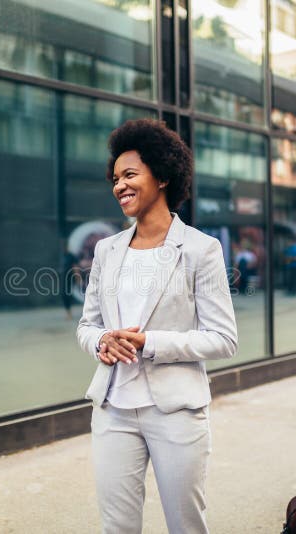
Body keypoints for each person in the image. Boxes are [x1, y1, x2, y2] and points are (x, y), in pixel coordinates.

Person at [76, 118, 237, 534]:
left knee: (186, 526)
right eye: (115, 178)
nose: (119, 186)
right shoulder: (106, 249)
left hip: (176, 412)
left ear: (163, 176)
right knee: (118, 527)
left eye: (130, 174)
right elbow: (87, 325)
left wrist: (150, 342)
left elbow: (223, 338)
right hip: (113, 409)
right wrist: (102, 342)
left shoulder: (202, 249)